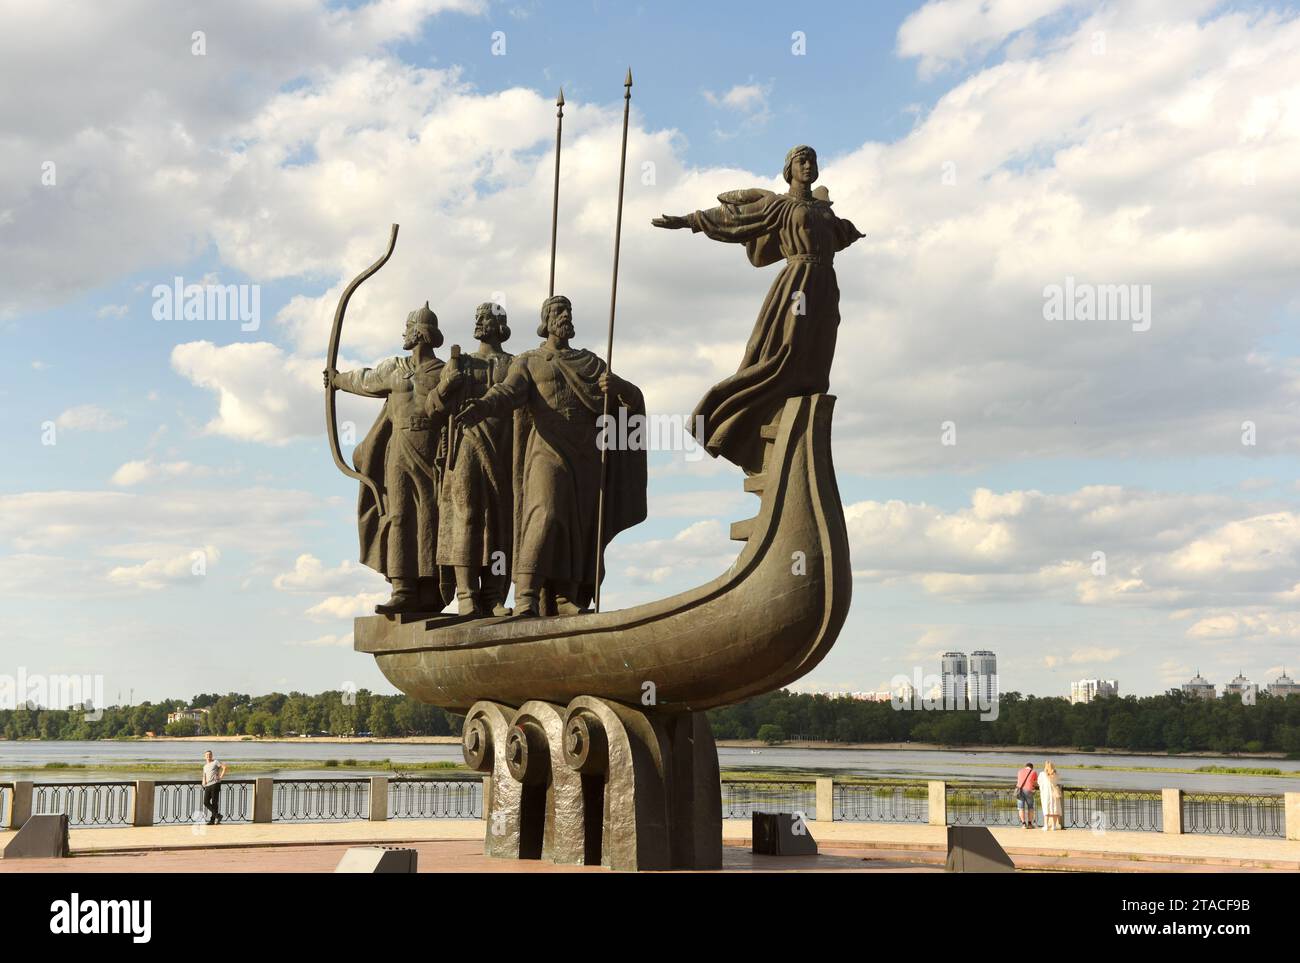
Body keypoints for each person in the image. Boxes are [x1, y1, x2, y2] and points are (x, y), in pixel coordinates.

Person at [651, 144, 864, 475]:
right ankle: (722, 416)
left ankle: (800, 410)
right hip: (799, 281)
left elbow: (842, 232)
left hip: (826, 284)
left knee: (819, 359)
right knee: (787, 348)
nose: (808, 166)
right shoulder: (779, 205)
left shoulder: (825, 211)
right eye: (802, 161)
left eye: (813, 161)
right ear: (789, 168)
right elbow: (734, 218)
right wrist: (688, 221)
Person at [457, 295, 647, 617]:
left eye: (569, 311)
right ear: (545, 320)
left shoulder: (591, 363)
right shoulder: (530, 361)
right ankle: (527, 596)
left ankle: (564, 598)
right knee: (544, 513)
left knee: (577, 527)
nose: (565, 316)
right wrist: (484, 406)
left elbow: (631, 401)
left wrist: (620, 387)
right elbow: (508, 392)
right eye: (558, 311)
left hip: (586, 455)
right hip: (548, 450)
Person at [326, 303, 455, 614]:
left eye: (409, 328)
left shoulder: (442, 371)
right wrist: (337, 379)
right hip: (397, 449)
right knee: (398, 514)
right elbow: (365, 379)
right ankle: (403, 587)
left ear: (421, 333)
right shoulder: (394, 369)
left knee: (430, 516)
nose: (406, 334)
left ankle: (430, 588)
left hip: (430, 449)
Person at [429, 302, 516, 616]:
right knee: (467, 516)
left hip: (503, 448)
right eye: (477, 317)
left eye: (487, 318)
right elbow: (433, 409)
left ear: (501, 326)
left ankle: (494, 596)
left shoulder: (516, 363)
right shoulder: (461, 362)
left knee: (500, 524)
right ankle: (466, 594)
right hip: (466, 445)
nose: (480, 321)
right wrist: (447, 384)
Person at [201, 750, 227, 825]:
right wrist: (203, 782)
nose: (208, 756)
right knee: (206, 802)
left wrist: (221, 777)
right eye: (207, 755)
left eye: (210, 755)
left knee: (214, 803)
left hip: (215, 784)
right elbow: (204, 775)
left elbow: (224, 767)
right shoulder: (205, 766)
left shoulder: (215, 762)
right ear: (205, 756)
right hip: (208, 785)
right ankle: (218, 816)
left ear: (212, 755)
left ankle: (212, 820)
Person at [1041, 761, 1064, 830]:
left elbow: (1040, 782)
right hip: (1054, 794)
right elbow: (1057, 781)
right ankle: (1054, 826)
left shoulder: (1042, 774)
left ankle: (1046, 826)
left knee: (1046, 809)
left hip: (1046, 794)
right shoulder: (1056, 774)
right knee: (1055, 809)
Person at [1014, 762, 1038, 829]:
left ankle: (1023, 824)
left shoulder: (1019, 771)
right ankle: (1030, 824)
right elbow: (1035, 783)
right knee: (1030, 807)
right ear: (1032, 767)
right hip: (1028, 790)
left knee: (1021, 807)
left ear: (1025, 766)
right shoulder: (1033, 772)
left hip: (1019, 790)